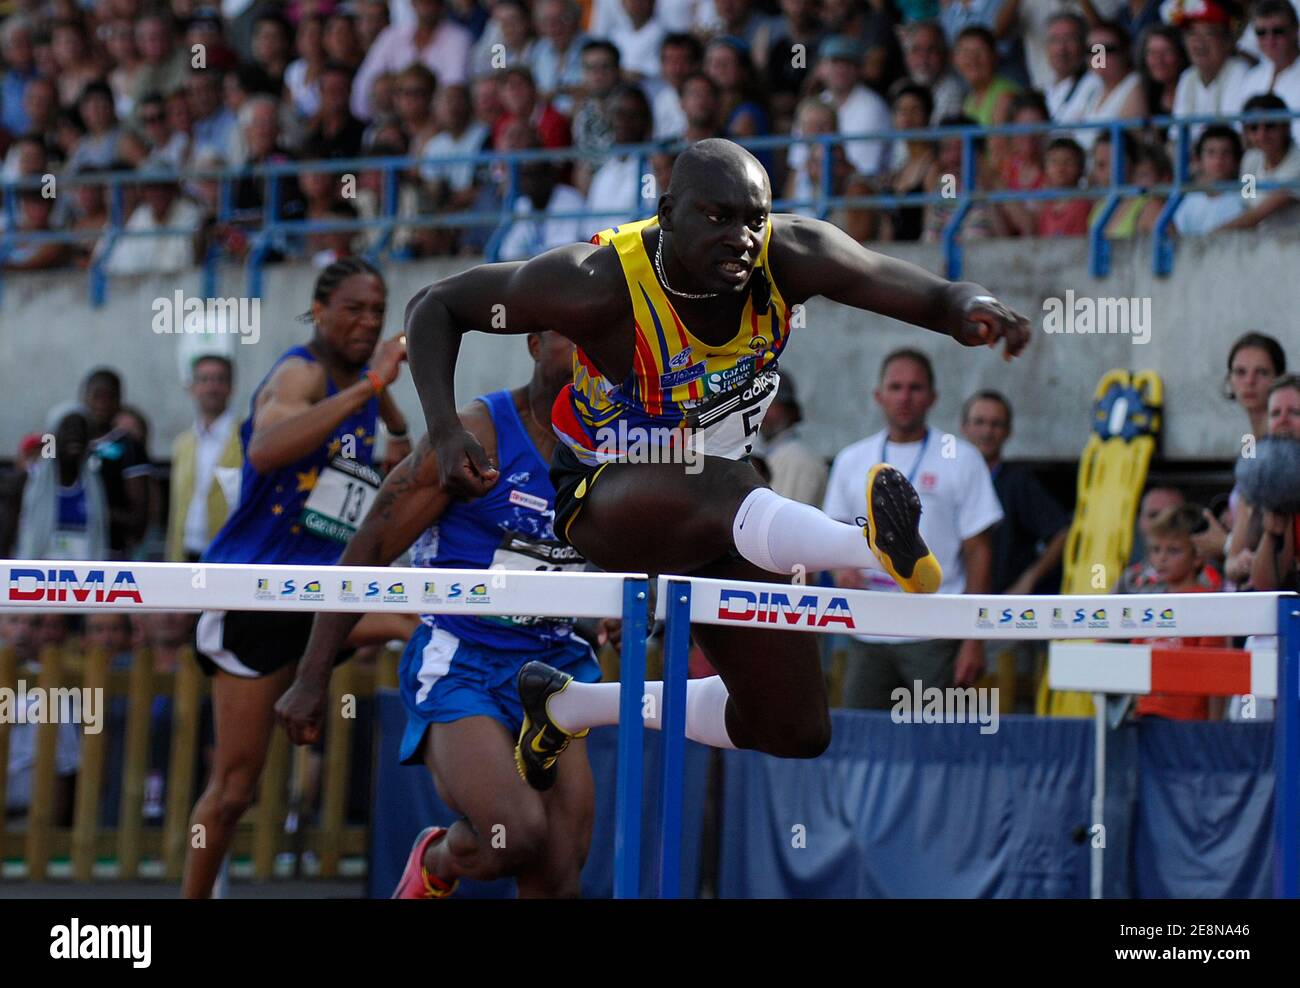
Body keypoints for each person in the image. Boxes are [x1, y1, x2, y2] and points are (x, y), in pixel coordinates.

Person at [402, 141, 1030, 780]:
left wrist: (966, 307)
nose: (741, 238)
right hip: (607, 501)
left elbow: (916, 289)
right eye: (717, 217)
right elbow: (438, 304)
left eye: (755, 219)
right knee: (721, 474)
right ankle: (870, 547)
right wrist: (445, 428)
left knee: (793, 728)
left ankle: (571, 705)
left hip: (732, 518)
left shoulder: (790, 257)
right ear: (667, 212)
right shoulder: (596, 282)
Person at [276, 332, 602, 898]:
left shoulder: (620, 442)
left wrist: (617, 599)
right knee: (514, 835)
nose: (589, 355)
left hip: (554, 666)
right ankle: (437, 862)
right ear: (532, 343)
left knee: (563, 866)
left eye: (605, 340)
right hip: (463, 660)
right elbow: (371, 547)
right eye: (569, 339)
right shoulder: (480, 432)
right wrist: (311, 674)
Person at [182, 259, 413, 898]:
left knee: (423, 623)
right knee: (233, 791)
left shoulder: (358, 387)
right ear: (319, 311)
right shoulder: (300, 372)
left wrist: (385, 399)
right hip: (255, 596)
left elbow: (393, 462)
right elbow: (264, 447)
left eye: (377, 310)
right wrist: (369, 388)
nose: (367, 322)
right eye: (353, 309)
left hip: (324, 596)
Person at [824, 350, 1003, 709]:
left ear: (933, 397)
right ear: (879, 395)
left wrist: (974, 638)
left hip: (936, 631)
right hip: (867, 630)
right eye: (896, 387)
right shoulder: (851, 459)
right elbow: (831, 533)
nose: (905, 397)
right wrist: (841, 568)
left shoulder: (961, 457)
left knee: (940, 744)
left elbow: (978, 550)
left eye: (915, 388)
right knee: (863, 744)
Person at [1121, 503, 1226, 721]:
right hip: (1145, 716)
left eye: (1173, 550)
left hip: (1188, 721)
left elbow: (1216, 673)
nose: (1162, 558)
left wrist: (1215, 731)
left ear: (1197, 556)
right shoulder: (1149, 605)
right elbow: (1134, 662)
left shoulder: (1208, 603)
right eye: (1156, 549)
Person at [960, 390, 1069, 595]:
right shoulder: (948, 479)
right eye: (979, 422)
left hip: (1003, 608)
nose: (987, 431)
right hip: (948, 599)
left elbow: (1062, 532)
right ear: (963, 427)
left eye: (996, 424)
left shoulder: (1018, 481)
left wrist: (1027, 581)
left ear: (1008, 431)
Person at [167, 355, 242, 563]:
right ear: (192, 388)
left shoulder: (246, 439)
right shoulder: (182, 444)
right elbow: (175, 510)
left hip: (228, 556)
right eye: (205, 379)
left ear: (230, 387)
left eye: (219, 379)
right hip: (186, 555)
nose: (212, 387)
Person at [15, 404, 110, 561]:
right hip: (40, 576)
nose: (75, 435)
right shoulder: (29, 480)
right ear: (52, 436)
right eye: (68, 428)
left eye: (81, 429)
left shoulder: (96, 485)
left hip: (84, 577)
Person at [757, 374, 828, 506]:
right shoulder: (772, 453)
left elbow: (783, 521)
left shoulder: (798, 460)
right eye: (758, 403)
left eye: (771, 403)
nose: (763, 410)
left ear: (789, 410)